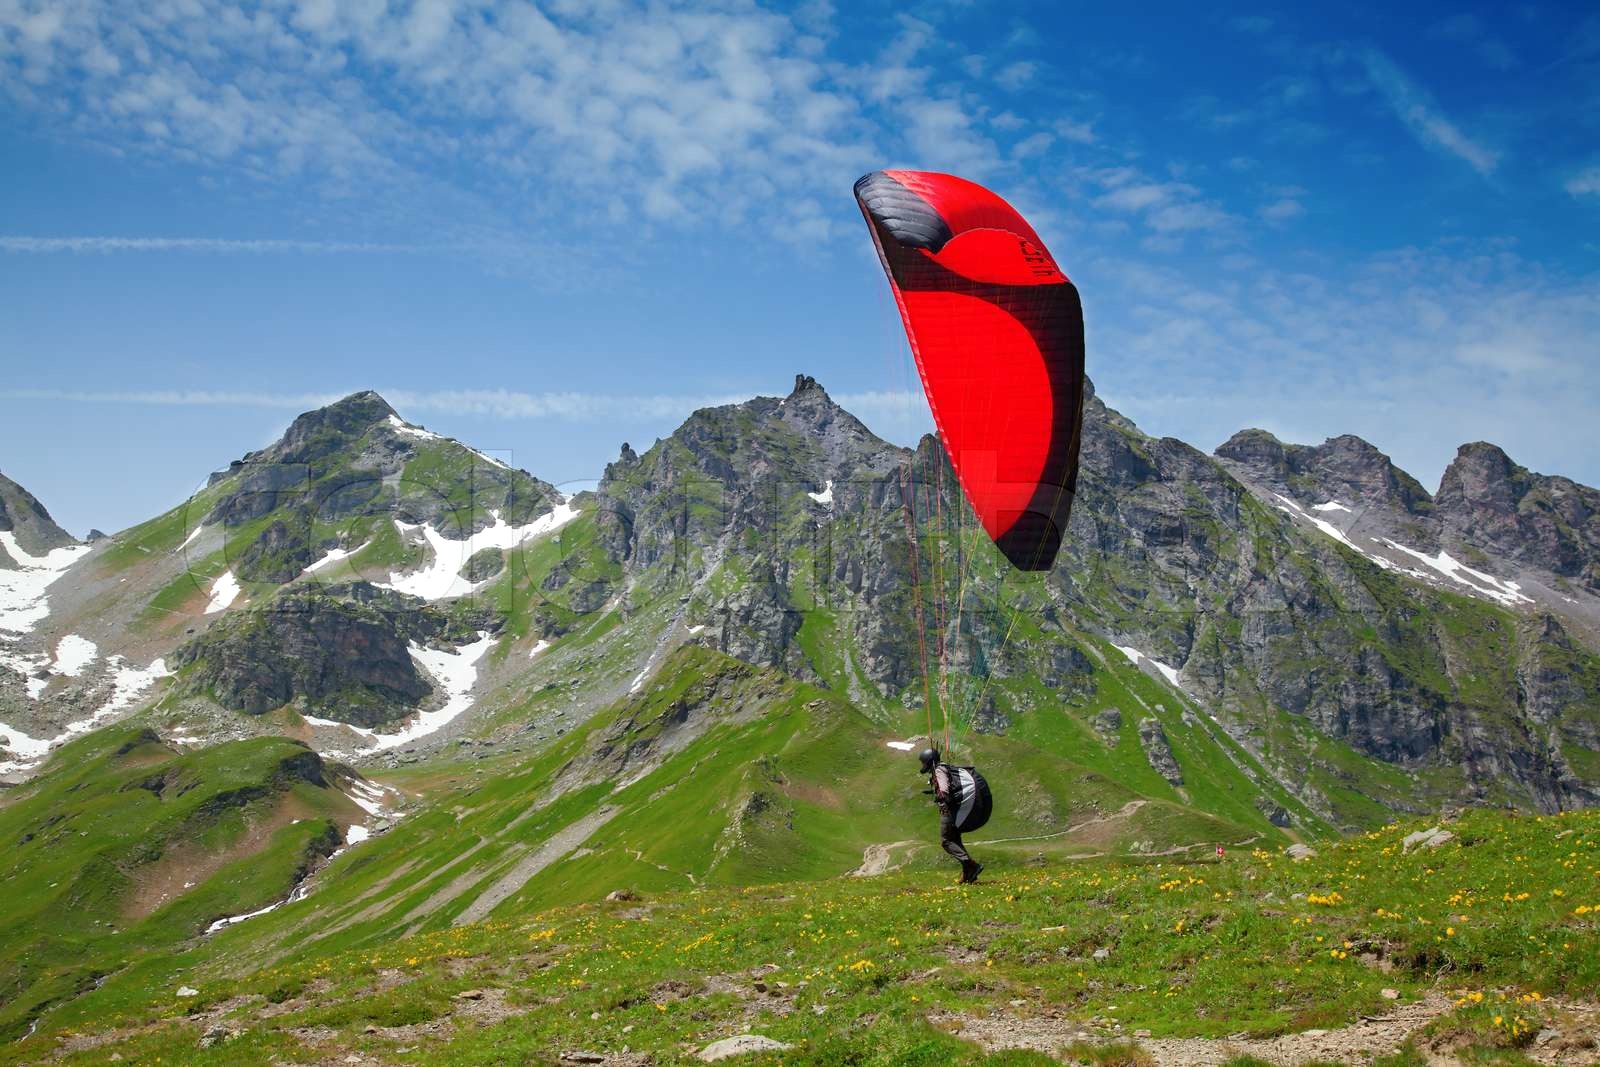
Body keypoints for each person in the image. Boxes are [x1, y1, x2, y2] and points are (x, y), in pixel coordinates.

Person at [920, 748, 983, 884]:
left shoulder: (938, 770)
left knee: (947, 841)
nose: (923, 766)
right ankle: (969, 874)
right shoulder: (943, 768)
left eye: (924, 763)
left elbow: (944, 789)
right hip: (954, 810)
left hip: (948, 811)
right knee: (956, 841)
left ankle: (971, 865)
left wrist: (940, 796)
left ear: (929, 761)